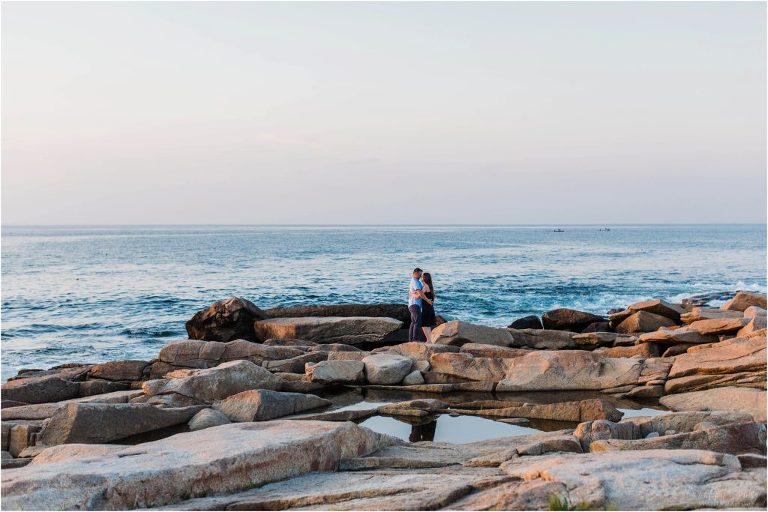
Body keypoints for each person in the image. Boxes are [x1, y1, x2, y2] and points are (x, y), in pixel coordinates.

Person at [408, 268, 424, 342]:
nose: (421, 275)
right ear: (415, 273)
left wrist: (415, 294)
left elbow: (417, 293)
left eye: (421, 273)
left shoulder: (416, 281)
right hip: (415, 304)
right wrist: (427, 299)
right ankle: (415, 339)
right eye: (420, 273)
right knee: (417, 321)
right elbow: (420, 293)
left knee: (414, 322)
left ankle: (411, 339)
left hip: (413, 304)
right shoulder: (415, 281)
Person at [420, 272, 436, 342]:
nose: (421, 278)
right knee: (427, 325)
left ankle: (428, 339)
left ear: (424, 278)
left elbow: (420, 294)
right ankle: (429, 339)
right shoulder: (430, 286)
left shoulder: (425, 286)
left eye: (422, 277)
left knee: (424, 324)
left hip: (426, 307)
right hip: (430, 307)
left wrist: (412, 293)